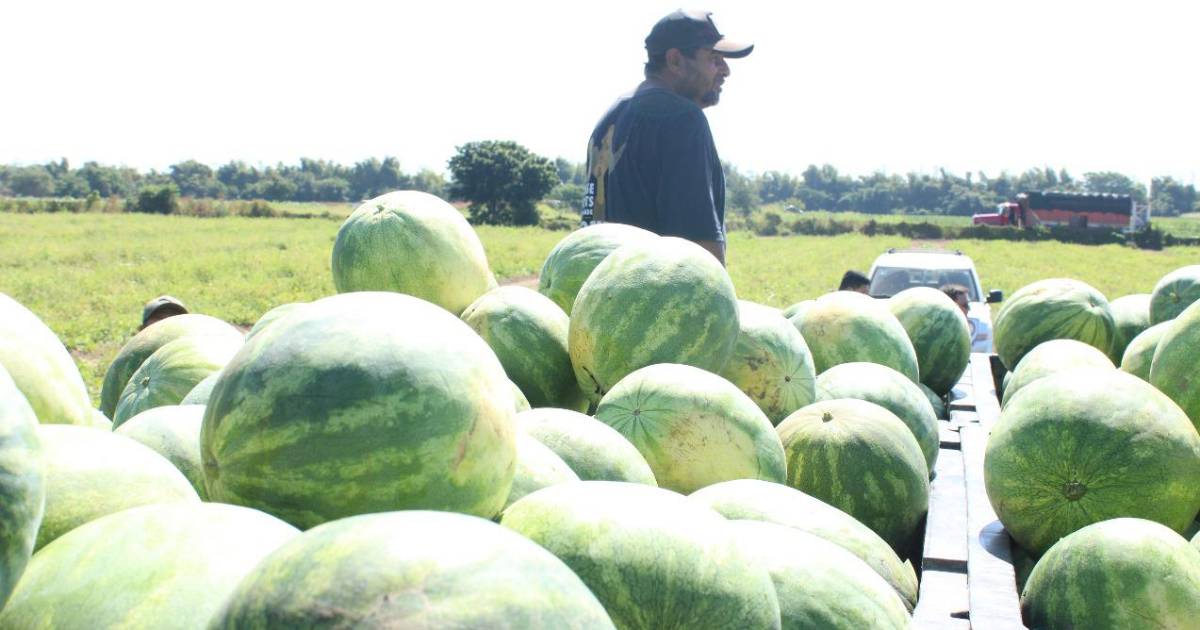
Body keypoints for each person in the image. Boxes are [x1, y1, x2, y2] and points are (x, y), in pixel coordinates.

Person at [580, 9, 753, 266]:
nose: (725, 70)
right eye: (714, 58)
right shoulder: (681, 118)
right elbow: (700, 254)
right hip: (652, 299)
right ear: (675, 60)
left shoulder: (612, 115)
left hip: (597, 295)